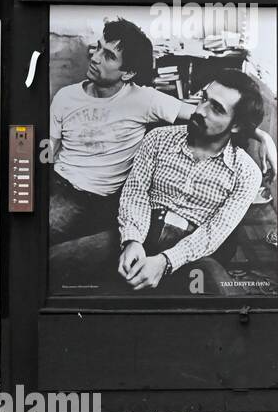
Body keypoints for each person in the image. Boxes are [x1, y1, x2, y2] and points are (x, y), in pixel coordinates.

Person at [49, 17, 277, 244]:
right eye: (98, 48)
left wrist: (261, 135)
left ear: (127, 73)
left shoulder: (144, 99)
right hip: (65, 188)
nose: (95, 58)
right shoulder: (65, 97)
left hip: (111, 200)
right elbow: (50, 149)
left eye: (108, 56)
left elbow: (204, 116)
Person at [51, 71, 266, 293]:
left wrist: (165, 261)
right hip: (141, 231)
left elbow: (215, 231)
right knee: (55, 261)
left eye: (217, 109)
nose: (200, 110)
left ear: (237, 126)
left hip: (192, 252)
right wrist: (132, 241)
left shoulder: (246, 172)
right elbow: (136, 192)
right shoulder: (158, 138)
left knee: (224, 296)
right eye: (203, 99)